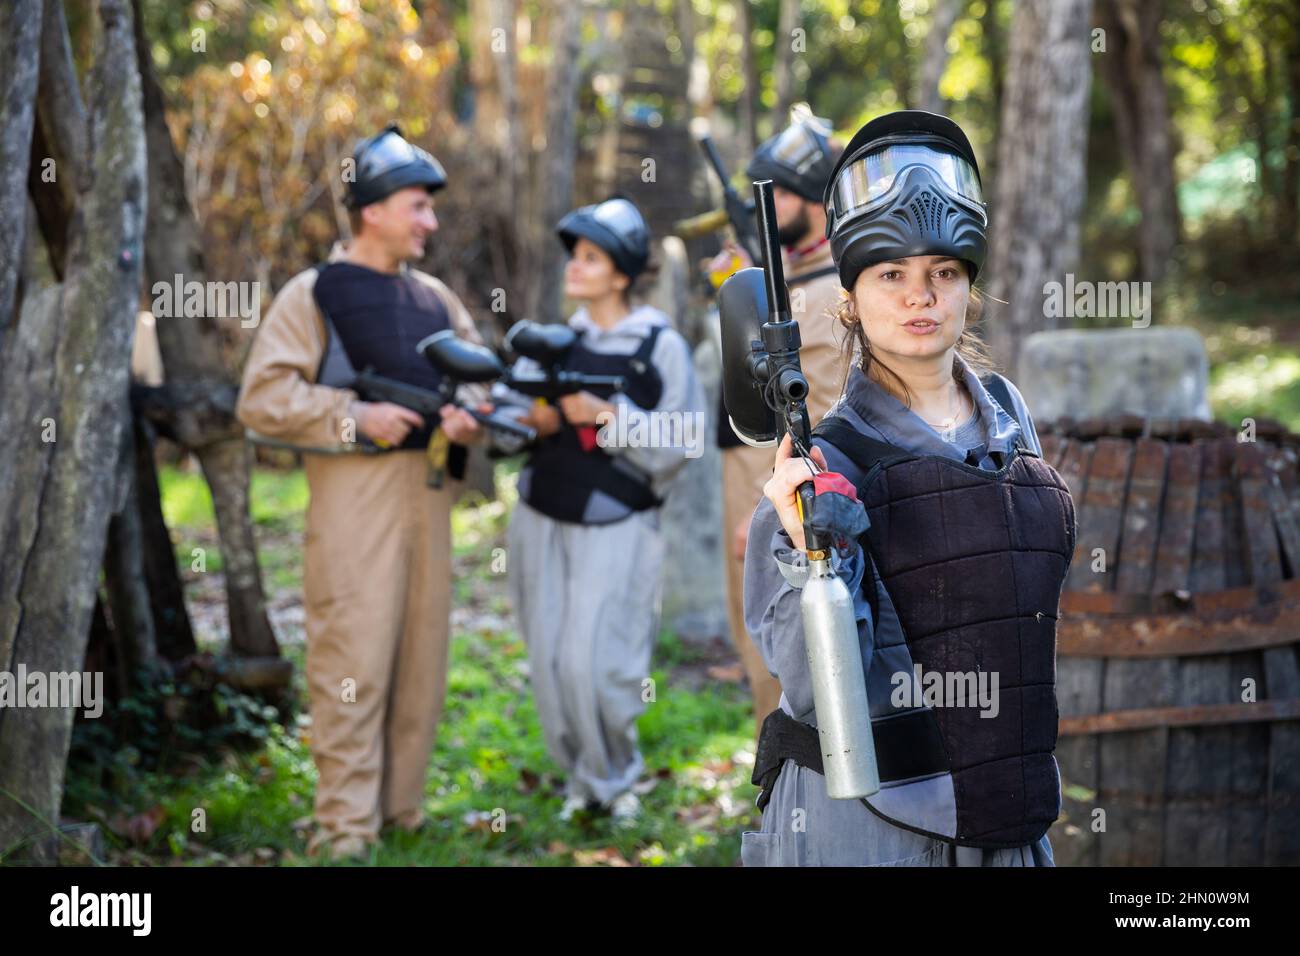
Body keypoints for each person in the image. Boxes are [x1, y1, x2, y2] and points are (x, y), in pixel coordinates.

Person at [740, 110, 1077, 866]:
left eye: (943, 274)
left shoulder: (1011, 418)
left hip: (1012, 808)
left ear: (968, 289)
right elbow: (809, 691)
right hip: (875, 828)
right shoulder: (825, 460)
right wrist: (810, 554)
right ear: (850, 297)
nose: (920, 296)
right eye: (891, 275)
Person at [236, 124, 486, 861]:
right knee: (353, 657)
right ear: (372, 209)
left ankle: (399, 814)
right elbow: (261, 397)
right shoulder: (313, 294)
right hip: (353, 503)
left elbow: (477, 376)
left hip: (430, 495)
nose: (430, 223)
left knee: (421, 657)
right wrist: (353, 417)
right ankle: (344, 831)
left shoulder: (436, 298)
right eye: (418, 206)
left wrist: (473, 415)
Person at [488, 197, 706, 824]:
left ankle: (617, 779)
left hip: (618, 522)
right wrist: (515, 420)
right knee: (552, 660)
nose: (574, 269)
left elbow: (685, 440)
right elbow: (502, 427)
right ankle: (581, 780)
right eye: (572, 257)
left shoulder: (658, 344)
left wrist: (606, 415)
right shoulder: (551, 342)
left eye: (590, 258)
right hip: (540, 515)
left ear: (621, 273)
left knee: (597, 662)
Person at [709, 108, 847, 740]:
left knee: (787, 644)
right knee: (756, 637)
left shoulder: (834, 292)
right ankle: (777, 782)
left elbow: (821, 411)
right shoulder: (794, 279)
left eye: (784, 192)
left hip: (777, 481)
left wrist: (768, 506)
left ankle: (798, 791)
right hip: (743, 470)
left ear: (818, 200)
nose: (773, 205)